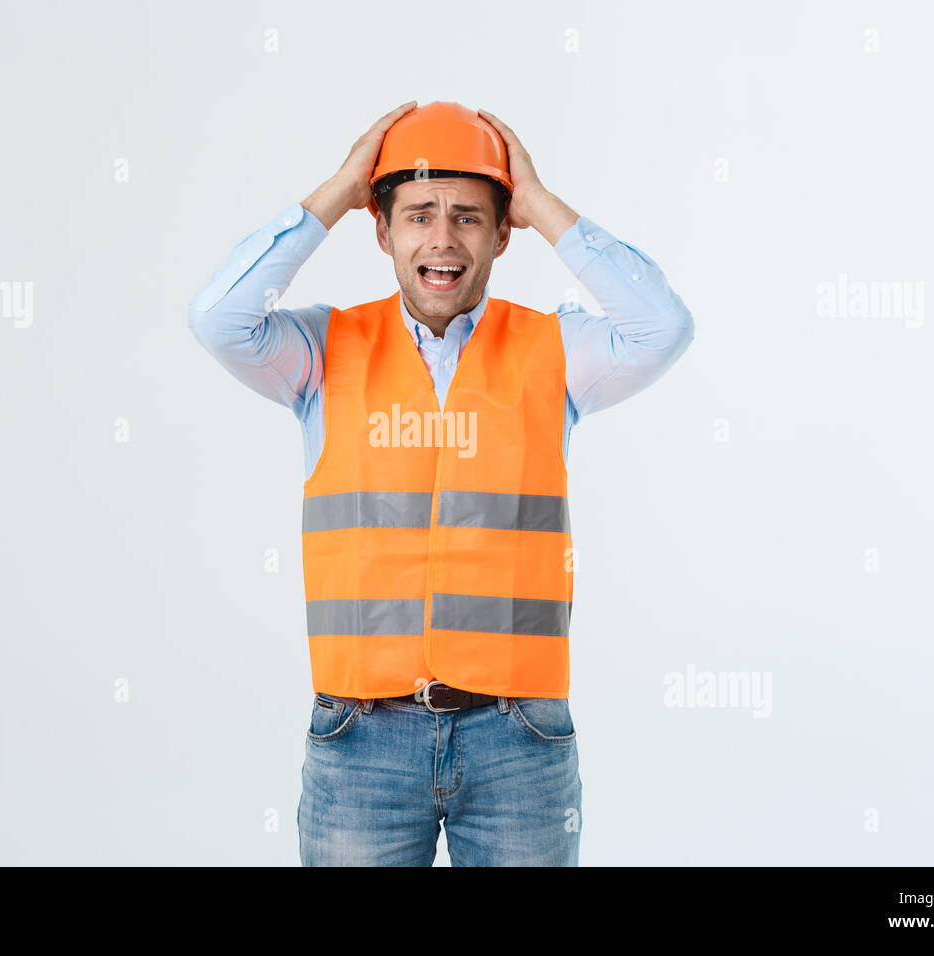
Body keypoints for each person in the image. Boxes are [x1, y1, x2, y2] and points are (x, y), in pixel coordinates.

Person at [188, 100, 694, 866]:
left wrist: (545, 207)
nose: (443, 239)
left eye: (469, 216)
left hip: (519, 739)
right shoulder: (321, 351)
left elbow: (663, 326)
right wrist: (337, 189)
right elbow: (218, 317)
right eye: (419, 214)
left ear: (501, 232)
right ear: (382, 228)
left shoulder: (557, 351)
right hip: (360, 741)